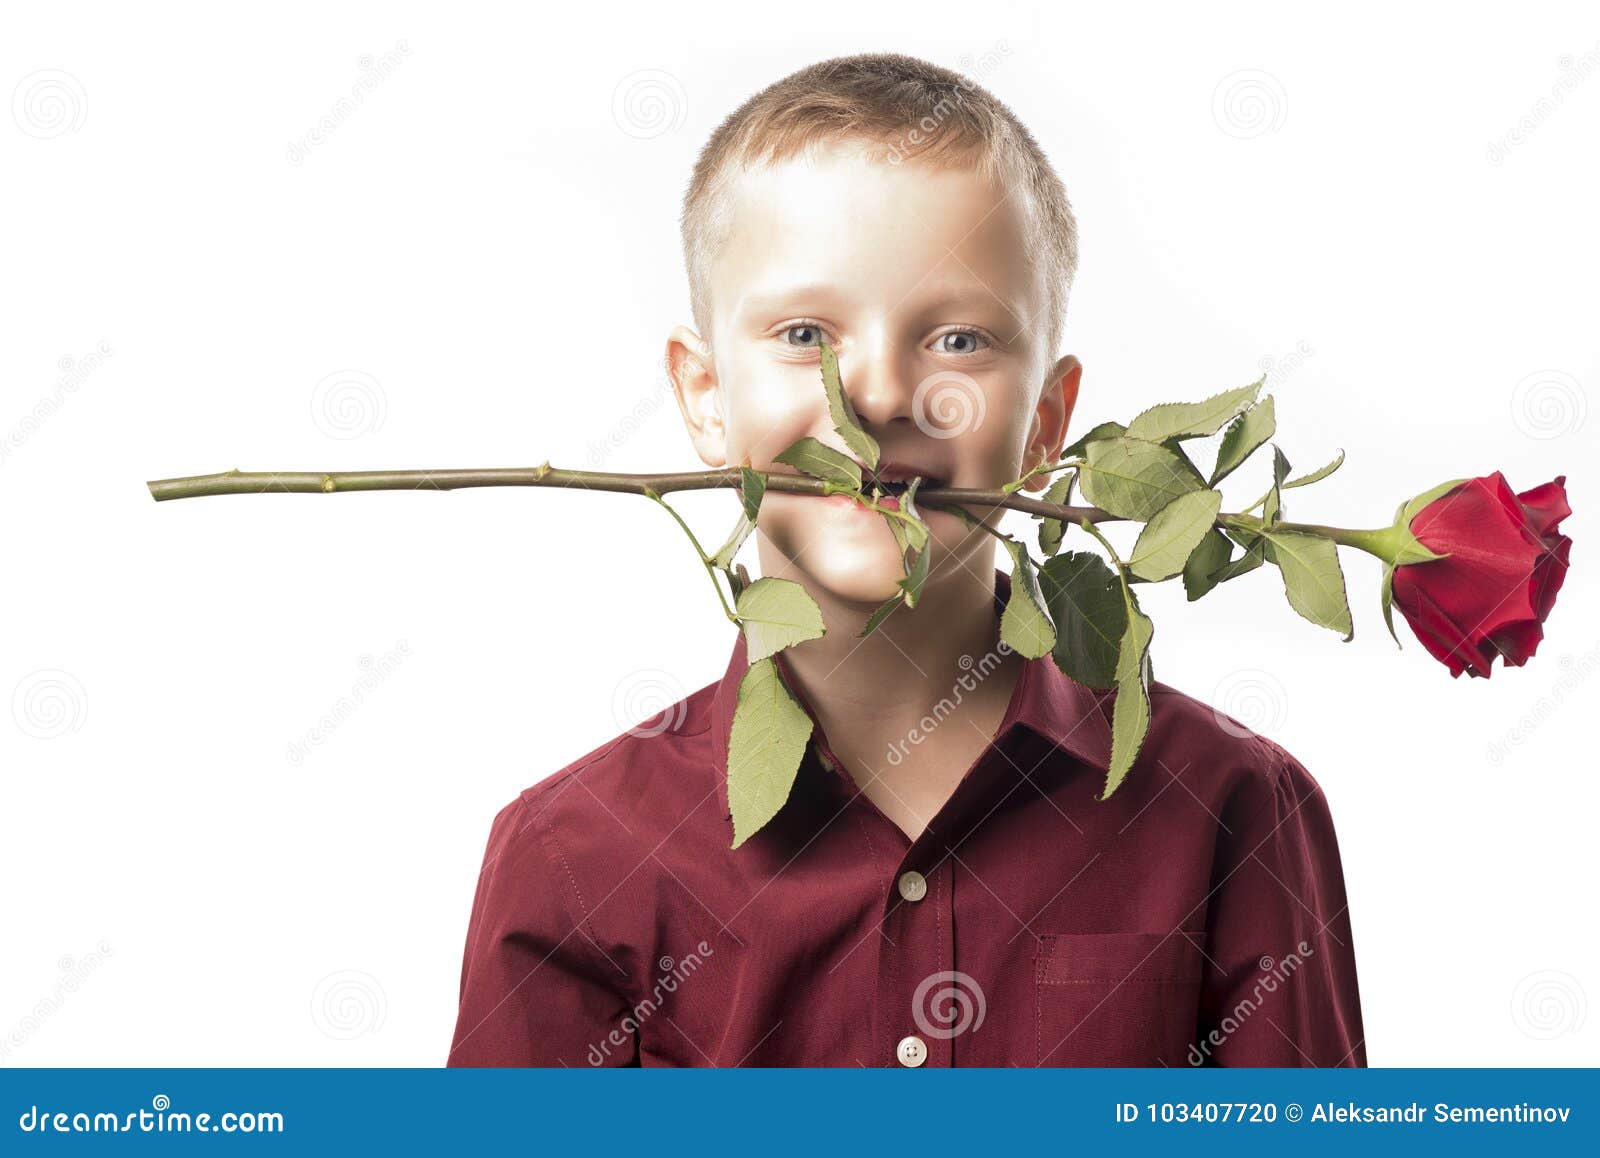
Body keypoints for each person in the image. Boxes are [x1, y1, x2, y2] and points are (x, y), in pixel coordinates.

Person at [447, 52, 1365, 1068]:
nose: (881, 395)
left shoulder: (1232, 810)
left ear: (1045, 424)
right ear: (706, 395)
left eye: (961, 339)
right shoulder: (573, 859)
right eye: (805, 334)